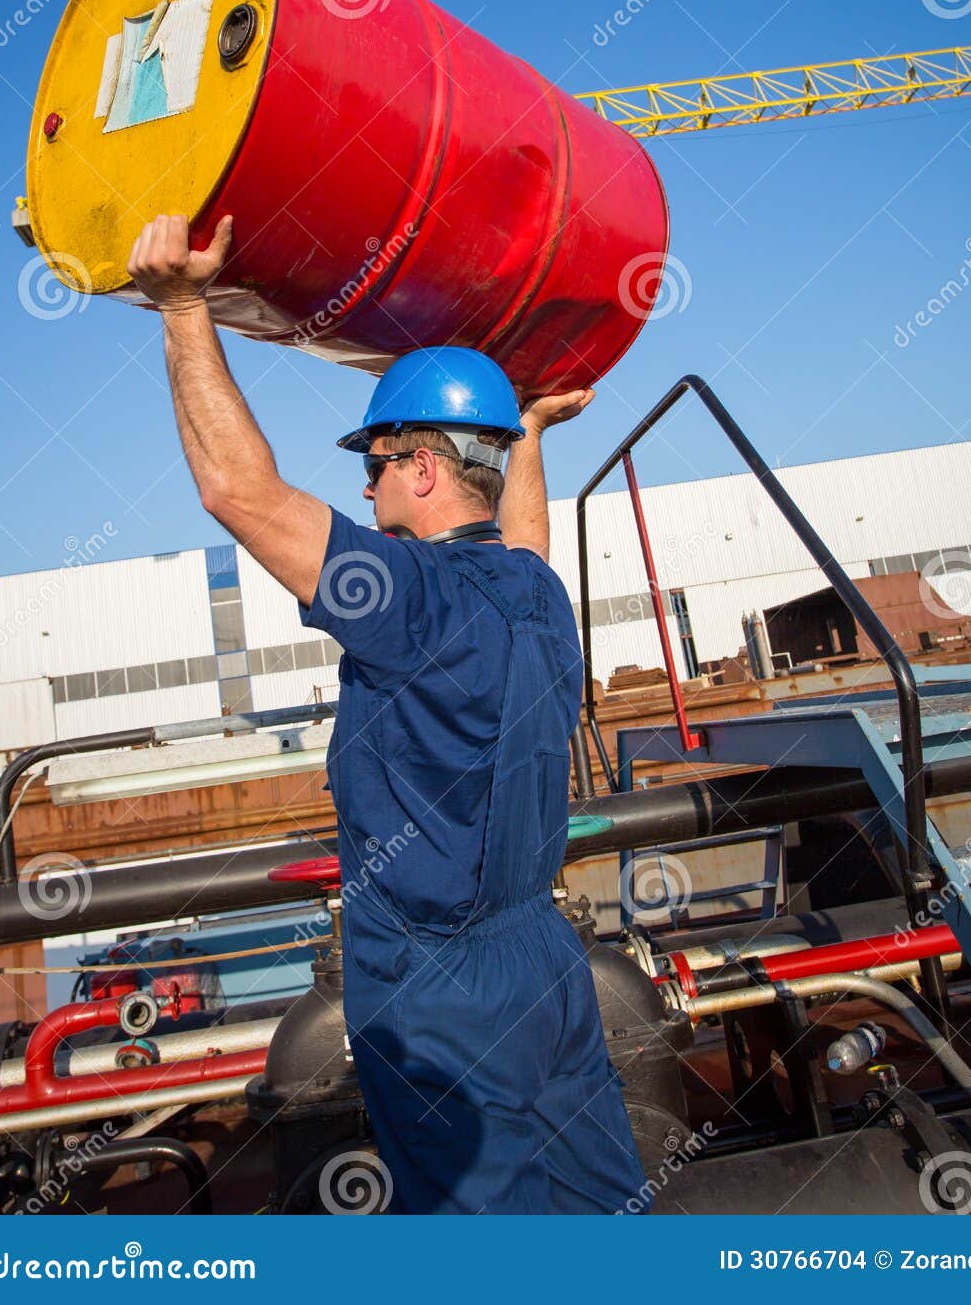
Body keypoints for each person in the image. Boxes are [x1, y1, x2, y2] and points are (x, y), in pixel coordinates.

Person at [127, 211, 647, 1215]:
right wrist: (528, 433)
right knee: (600, 1206)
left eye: (373, 465)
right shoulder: (535, 595)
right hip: (544, 962)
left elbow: (237, 491)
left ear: (421, 468)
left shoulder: (408, 599)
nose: (363, 490)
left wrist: (184, 307)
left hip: (437, 988)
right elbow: (520, 539)